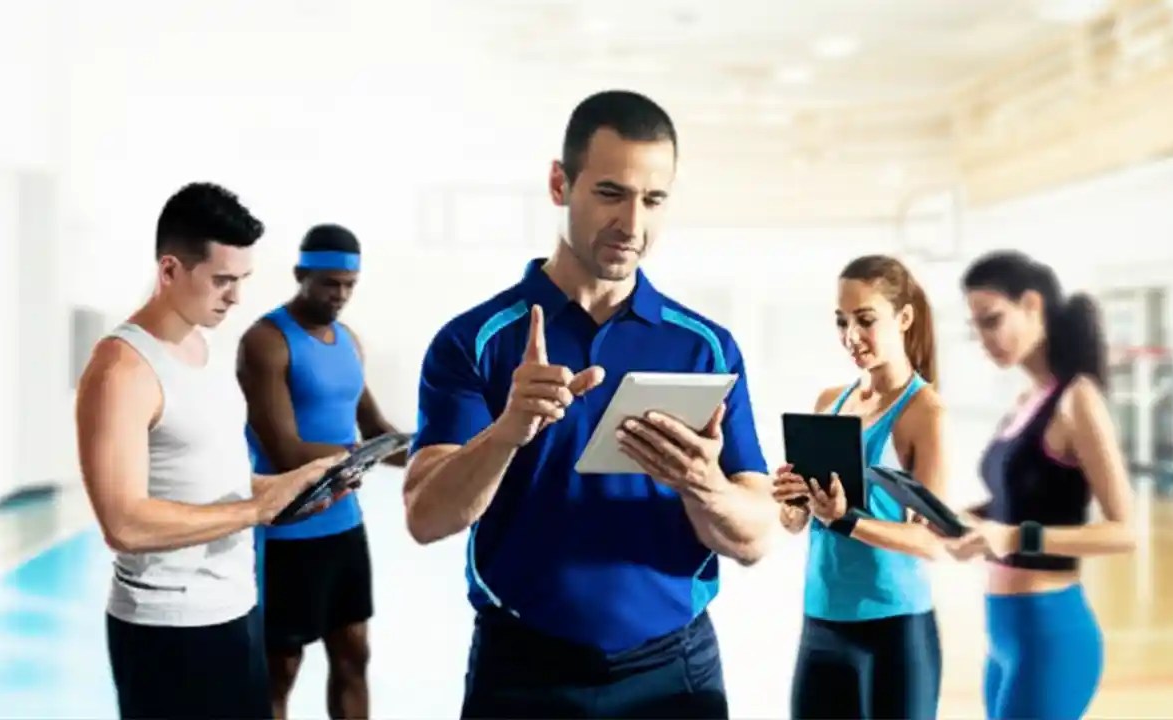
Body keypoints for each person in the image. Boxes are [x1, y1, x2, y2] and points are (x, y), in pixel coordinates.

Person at [402, 89, 776, 719]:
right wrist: (507, 431)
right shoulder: (475, 340)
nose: (632, 225)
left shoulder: (706, 348)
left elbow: (756, 538)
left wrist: (703, 484)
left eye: (653, 200)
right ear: (559, 183)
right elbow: (425, 518)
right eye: (610, 193)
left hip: (672, 670)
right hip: (522, 671)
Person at [73, 182, 343, 720]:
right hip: (167, 629)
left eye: (242, 280)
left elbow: (215, 480)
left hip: (235, 610)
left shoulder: (205, 347)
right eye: (222, 280)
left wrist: (289, 488)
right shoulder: (121, 370)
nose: (235, 297)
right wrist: (256, 510)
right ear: (170, 270)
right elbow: (123, 524)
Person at [947, 250, 1136, 720]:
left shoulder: (1078, 400)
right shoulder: (1026, 401)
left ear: (1032, 305)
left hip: (1051, 634)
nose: (985, 339)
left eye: (992, 320)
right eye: (976, 328)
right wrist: (966, 519)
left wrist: (1013, 538)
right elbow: (1020, 502)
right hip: (1004, 633)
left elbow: (1124, 531)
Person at [238, 223, 407, 720]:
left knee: (354, 655)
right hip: (287, 530)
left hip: (344, 526)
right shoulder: (266, 341)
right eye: (330, 284)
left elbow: (375, 427)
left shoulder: (349, 341)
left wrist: (443, 449)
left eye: (349, 285)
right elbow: (286, 451)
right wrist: (360, 454)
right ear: (300, 275)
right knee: (280, 670)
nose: (341, 295)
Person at [771, 255, 948, 720]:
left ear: (904, 318)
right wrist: (792, 502)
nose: (851, 336)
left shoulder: (924, 412)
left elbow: (933, 541)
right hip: (822, 620)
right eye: (842, 322)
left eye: (865, 320)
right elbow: (796, 523)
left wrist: (846, 520)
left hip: (895, 629)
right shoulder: (830, 402)